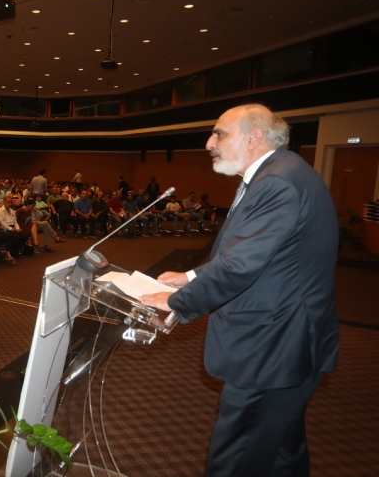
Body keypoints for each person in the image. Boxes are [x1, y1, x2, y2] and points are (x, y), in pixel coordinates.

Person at [141, 104, 340, 477]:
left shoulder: (277, 182)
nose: (209, 143)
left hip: (272, 348)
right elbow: (259, 254)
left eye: (219, 133)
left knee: (237, 459)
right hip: (288, 343)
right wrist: (191, 277)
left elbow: (240, 265)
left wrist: (175, 301)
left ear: (254, 138)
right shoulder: (283, 172)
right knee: (282, 453)